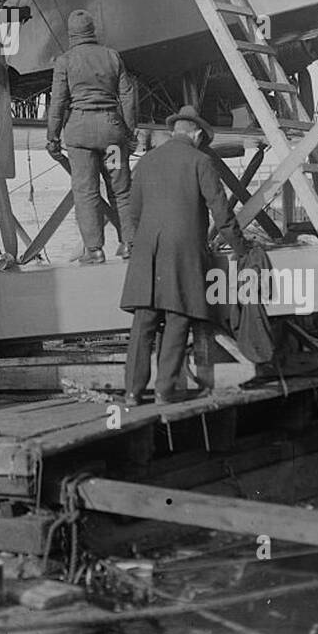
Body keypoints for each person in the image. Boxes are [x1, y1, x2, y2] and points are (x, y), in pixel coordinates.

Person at [120, 104, 248, 407]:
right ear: (198, 133)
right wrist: (241, 248)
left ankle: (131, 394)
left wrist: (134, 245)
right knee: (178, 317)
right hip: (183, 251)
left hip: (148, 251)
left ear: (174, 130)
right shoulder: (201, 160)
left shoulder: (147, 162)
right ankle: (164, 391)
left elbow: (132, 212)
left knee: (144, 321)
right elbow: (221, 211)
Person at [46, 9, 137, 264]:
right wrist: (128, 131)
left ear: (72, 34)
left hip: (80, 135)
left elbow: (58, 103)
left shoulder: (65, 61)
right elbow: (128, 96)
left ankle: (95, 250)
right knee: (121, 189)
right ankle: (129, 243)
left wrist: (52, 137)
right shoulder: (112, 56)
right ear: (92, 31)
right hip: (112, 131)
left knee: (86, 192)